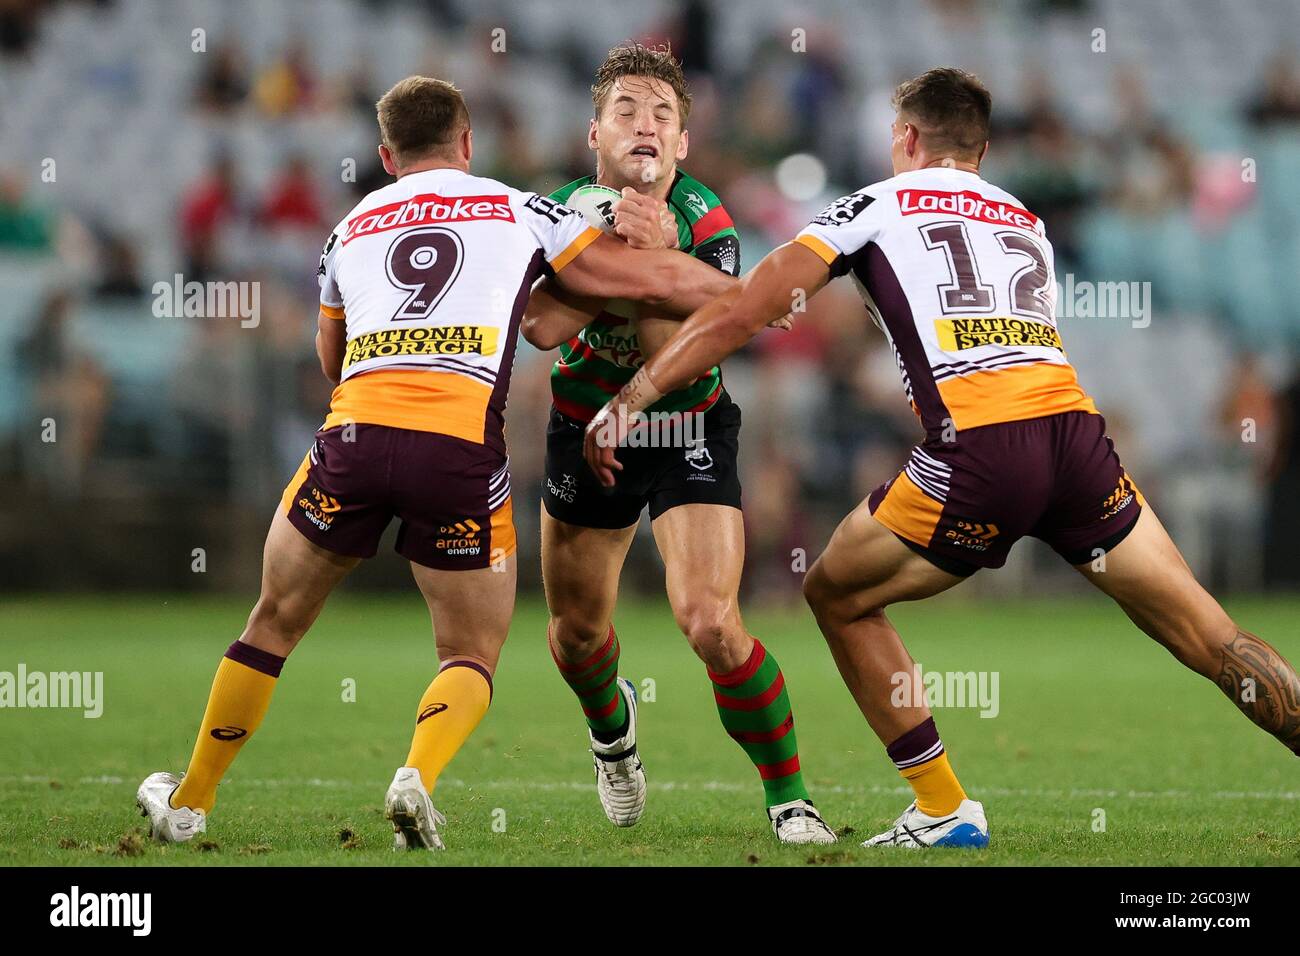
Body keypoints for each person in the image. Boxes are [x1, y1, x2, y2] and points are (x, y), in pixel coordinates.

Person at [584, 67, 1300, 849]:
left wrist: (634, 396)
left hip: (981, 447)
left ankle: (944, 807)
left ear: (906, 139)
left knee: (834, 594)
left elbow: (749, 307)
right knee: (1208, 634)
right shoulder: (1023, 217)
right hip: (1075, 437)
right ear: (983, 150)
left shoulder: (873, 204)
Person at [136, 74, 736, 851]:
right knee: (468, 652)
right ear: (467, 145)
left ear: (387, 155)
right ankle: (416, 776)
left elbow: (329, 357)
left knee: (273, 622)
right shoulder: (520, 207)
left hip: (350, 439)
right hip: (456, 449)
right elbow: (653, 281)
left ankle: (190, 801)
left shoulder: (348, 227)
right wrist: (741, 289)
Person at [520, 43, 834, 844]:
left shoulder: (707, 219)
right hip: (582, 427)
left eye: (662, 113)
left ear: (683, 143)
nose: (645, 124)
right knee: (577, 635)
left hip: (684, 423)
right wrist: (619, 253)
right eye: (625, 109)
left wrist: (644, 260)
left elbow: (709, 329)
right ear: (595, 132)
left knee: (711, 621)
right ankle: (613, 737)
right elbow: (541, 326)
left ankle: (790, 799)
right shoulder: (560, 210)